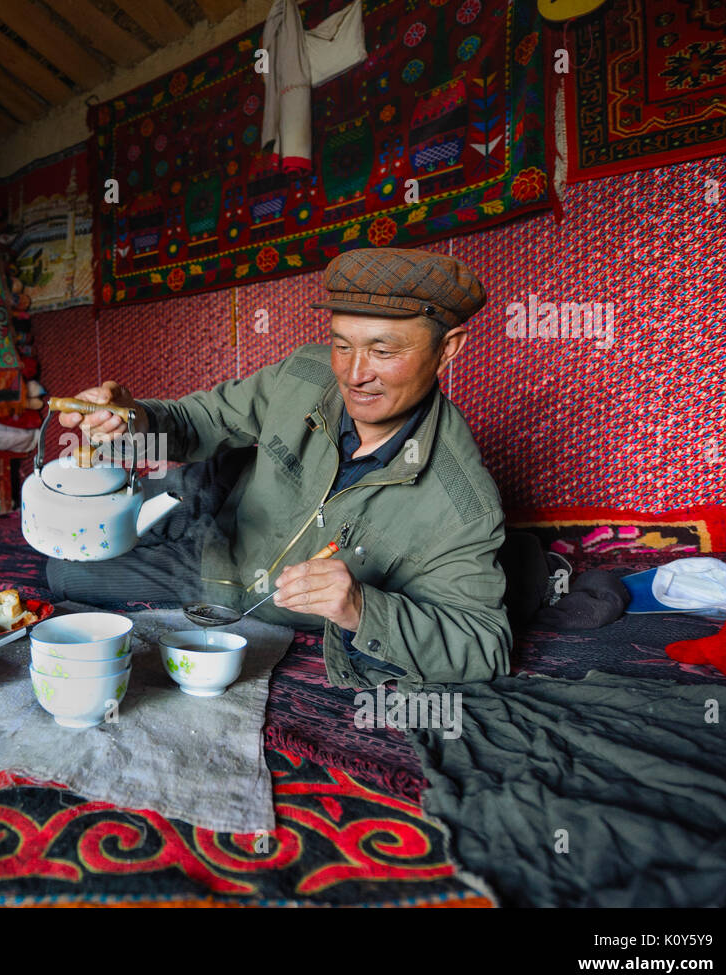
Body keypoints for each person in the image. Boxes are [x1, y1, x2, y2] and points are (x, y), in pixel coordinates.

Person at [46, 247, 511, 688]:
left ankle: (525, 562)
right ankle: (180, 491)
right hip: (215, 502)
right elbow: (200, 421)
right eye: (342, 345)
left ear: (448, 348)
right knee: (81, 531)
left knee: (66, 575)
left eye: (383, 351)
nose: (354, 374)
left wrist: (361, 607)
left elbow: (486, 646)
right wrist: (131, 420)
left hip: (217, 579)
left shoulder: (462, 503)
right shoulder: (305, 373)